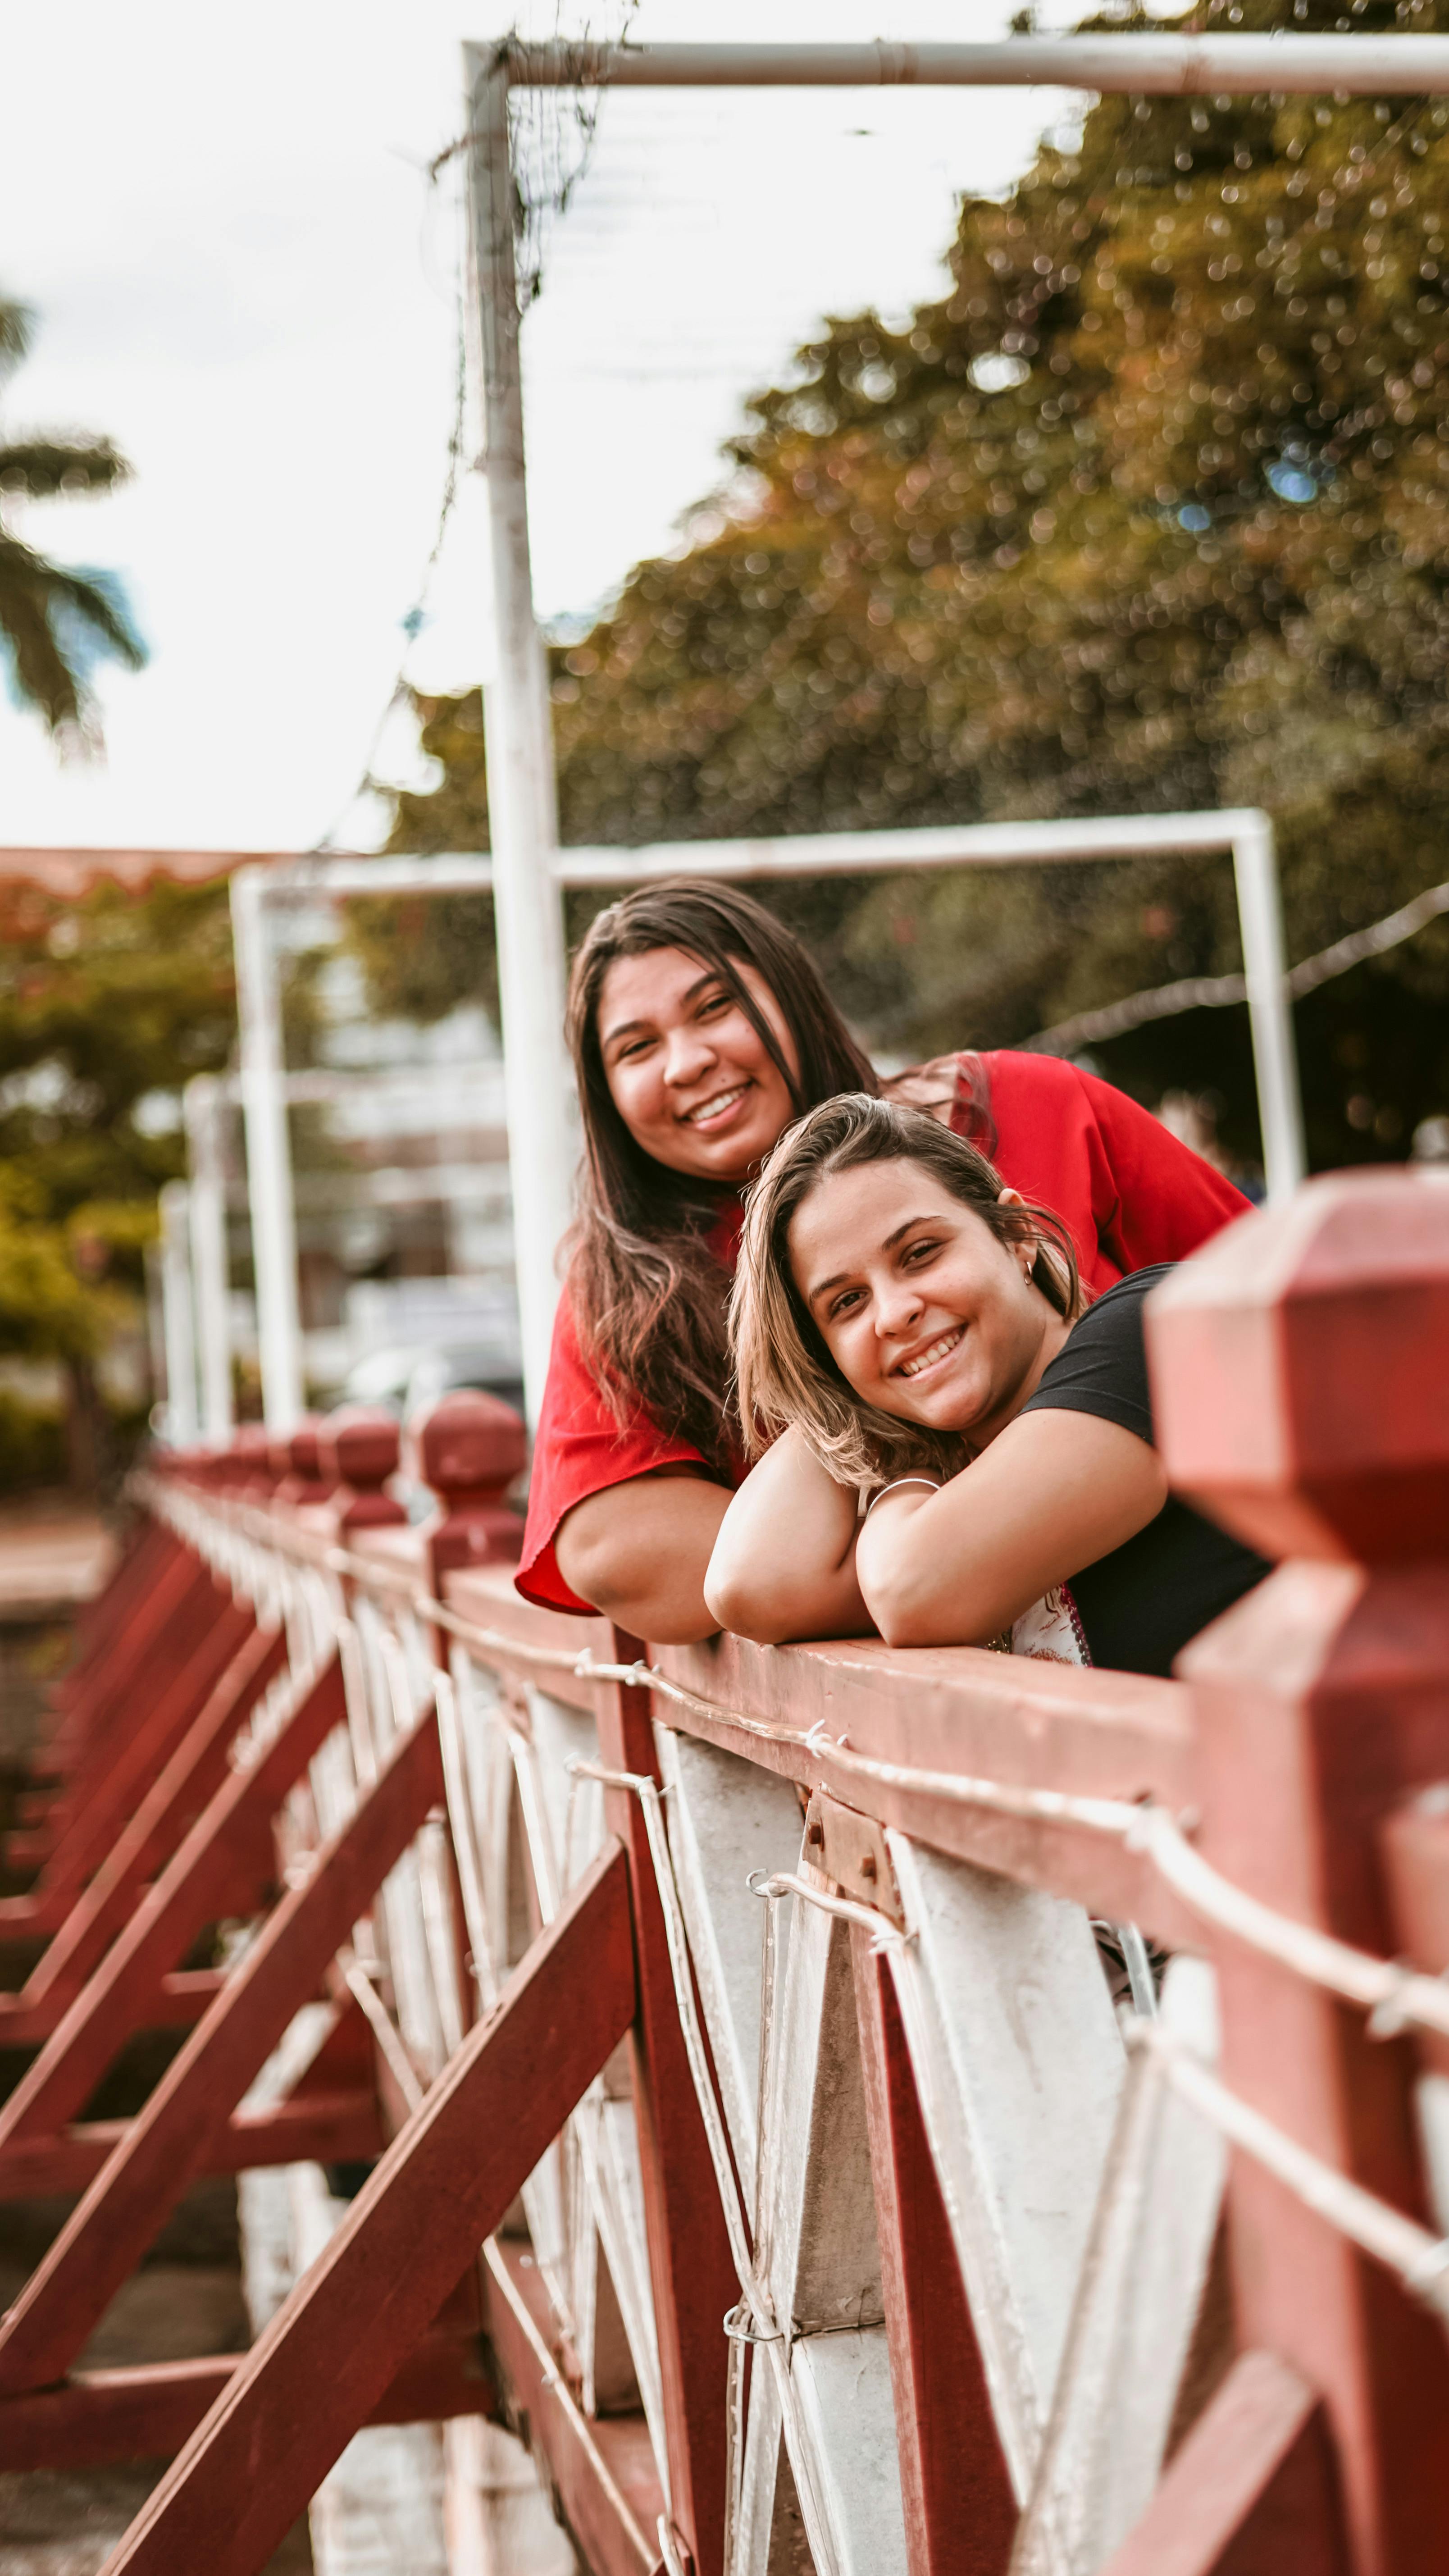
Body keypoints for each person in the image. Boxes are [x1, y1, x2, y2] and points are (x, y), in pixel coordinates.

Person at [518, 879, 1251, 1643]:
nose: (687, 1061)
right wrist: (969, 1516)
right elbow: (625, 1555)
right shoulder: (623, 1285)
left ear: (1014, 1228)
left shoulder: (1019, 1107)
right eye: (840, 1305)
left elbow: (1278, 1310)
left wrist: (990, 1536)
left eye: (715, 1007)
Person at [705, 1094, 1268, 1675]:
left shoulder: (1149, 1328)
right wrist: (853, 1392)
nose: (894, 1314)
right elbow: (751, 1586)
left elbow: (914, 1592)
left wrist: (902, 1468)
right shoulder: (957, 1481)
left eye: (921, 1253)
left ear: (1017, 1234)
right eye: (847, 1303)